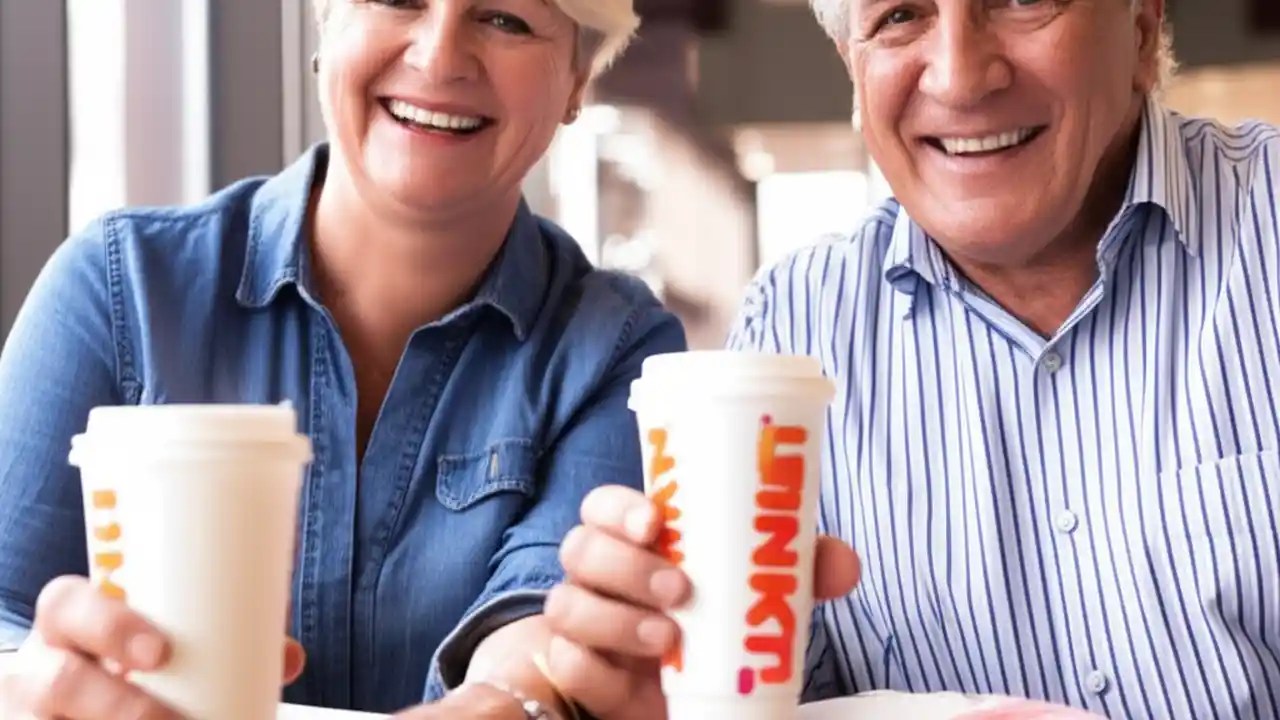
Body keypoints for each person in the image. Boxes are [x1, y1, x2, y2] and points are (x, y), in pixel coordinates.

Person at [546, 0, 1280, 718]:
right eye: (899, 16)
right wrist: (677, 688)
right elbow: (782, 696)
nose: (959, 78)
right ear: (853, 68)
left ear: (1144, 28)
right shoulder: (796, 325)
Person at [0, 0, 685, 717]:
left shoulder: (619, 348)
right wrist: (34, 685)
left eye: (505, 18)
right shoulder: (117, 290)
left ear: (577, 81)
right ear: (325, 19)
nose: (439, 56)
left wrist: (510, 697)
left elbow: (547, 627)